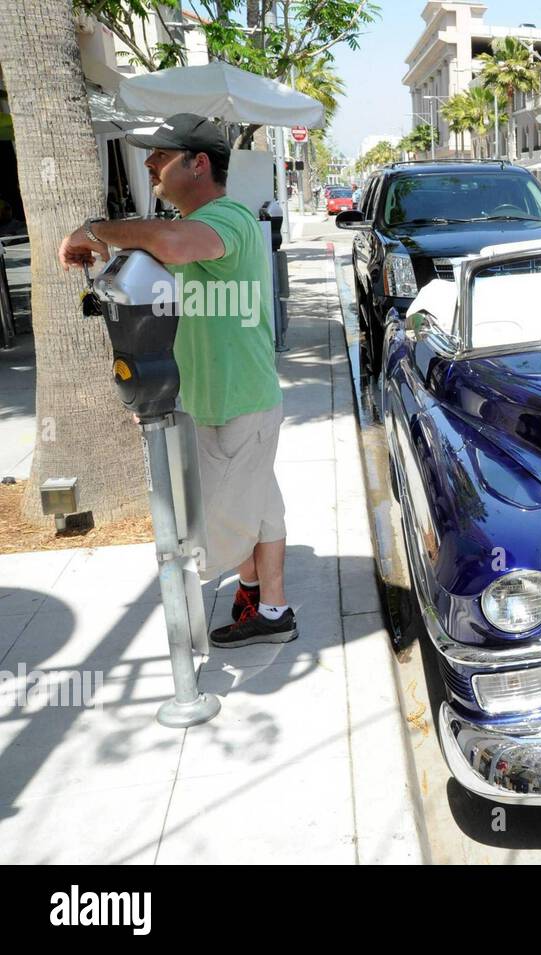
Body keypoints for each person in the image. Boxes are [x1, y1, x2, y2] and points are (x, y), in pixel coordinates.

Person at [57, 113, 295, 649]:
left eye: (160, 156)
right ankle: (268, 606)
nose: (148, 164)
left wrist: (93, 231)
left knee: (215, 531)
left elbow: (173, 240)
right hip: (221, 398)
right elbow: (158, 248)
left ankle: (259, 601)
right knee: (260, 505)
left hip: (236, 402)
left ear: (200, 163)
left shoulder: (227, 218)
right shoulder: (194, 226)